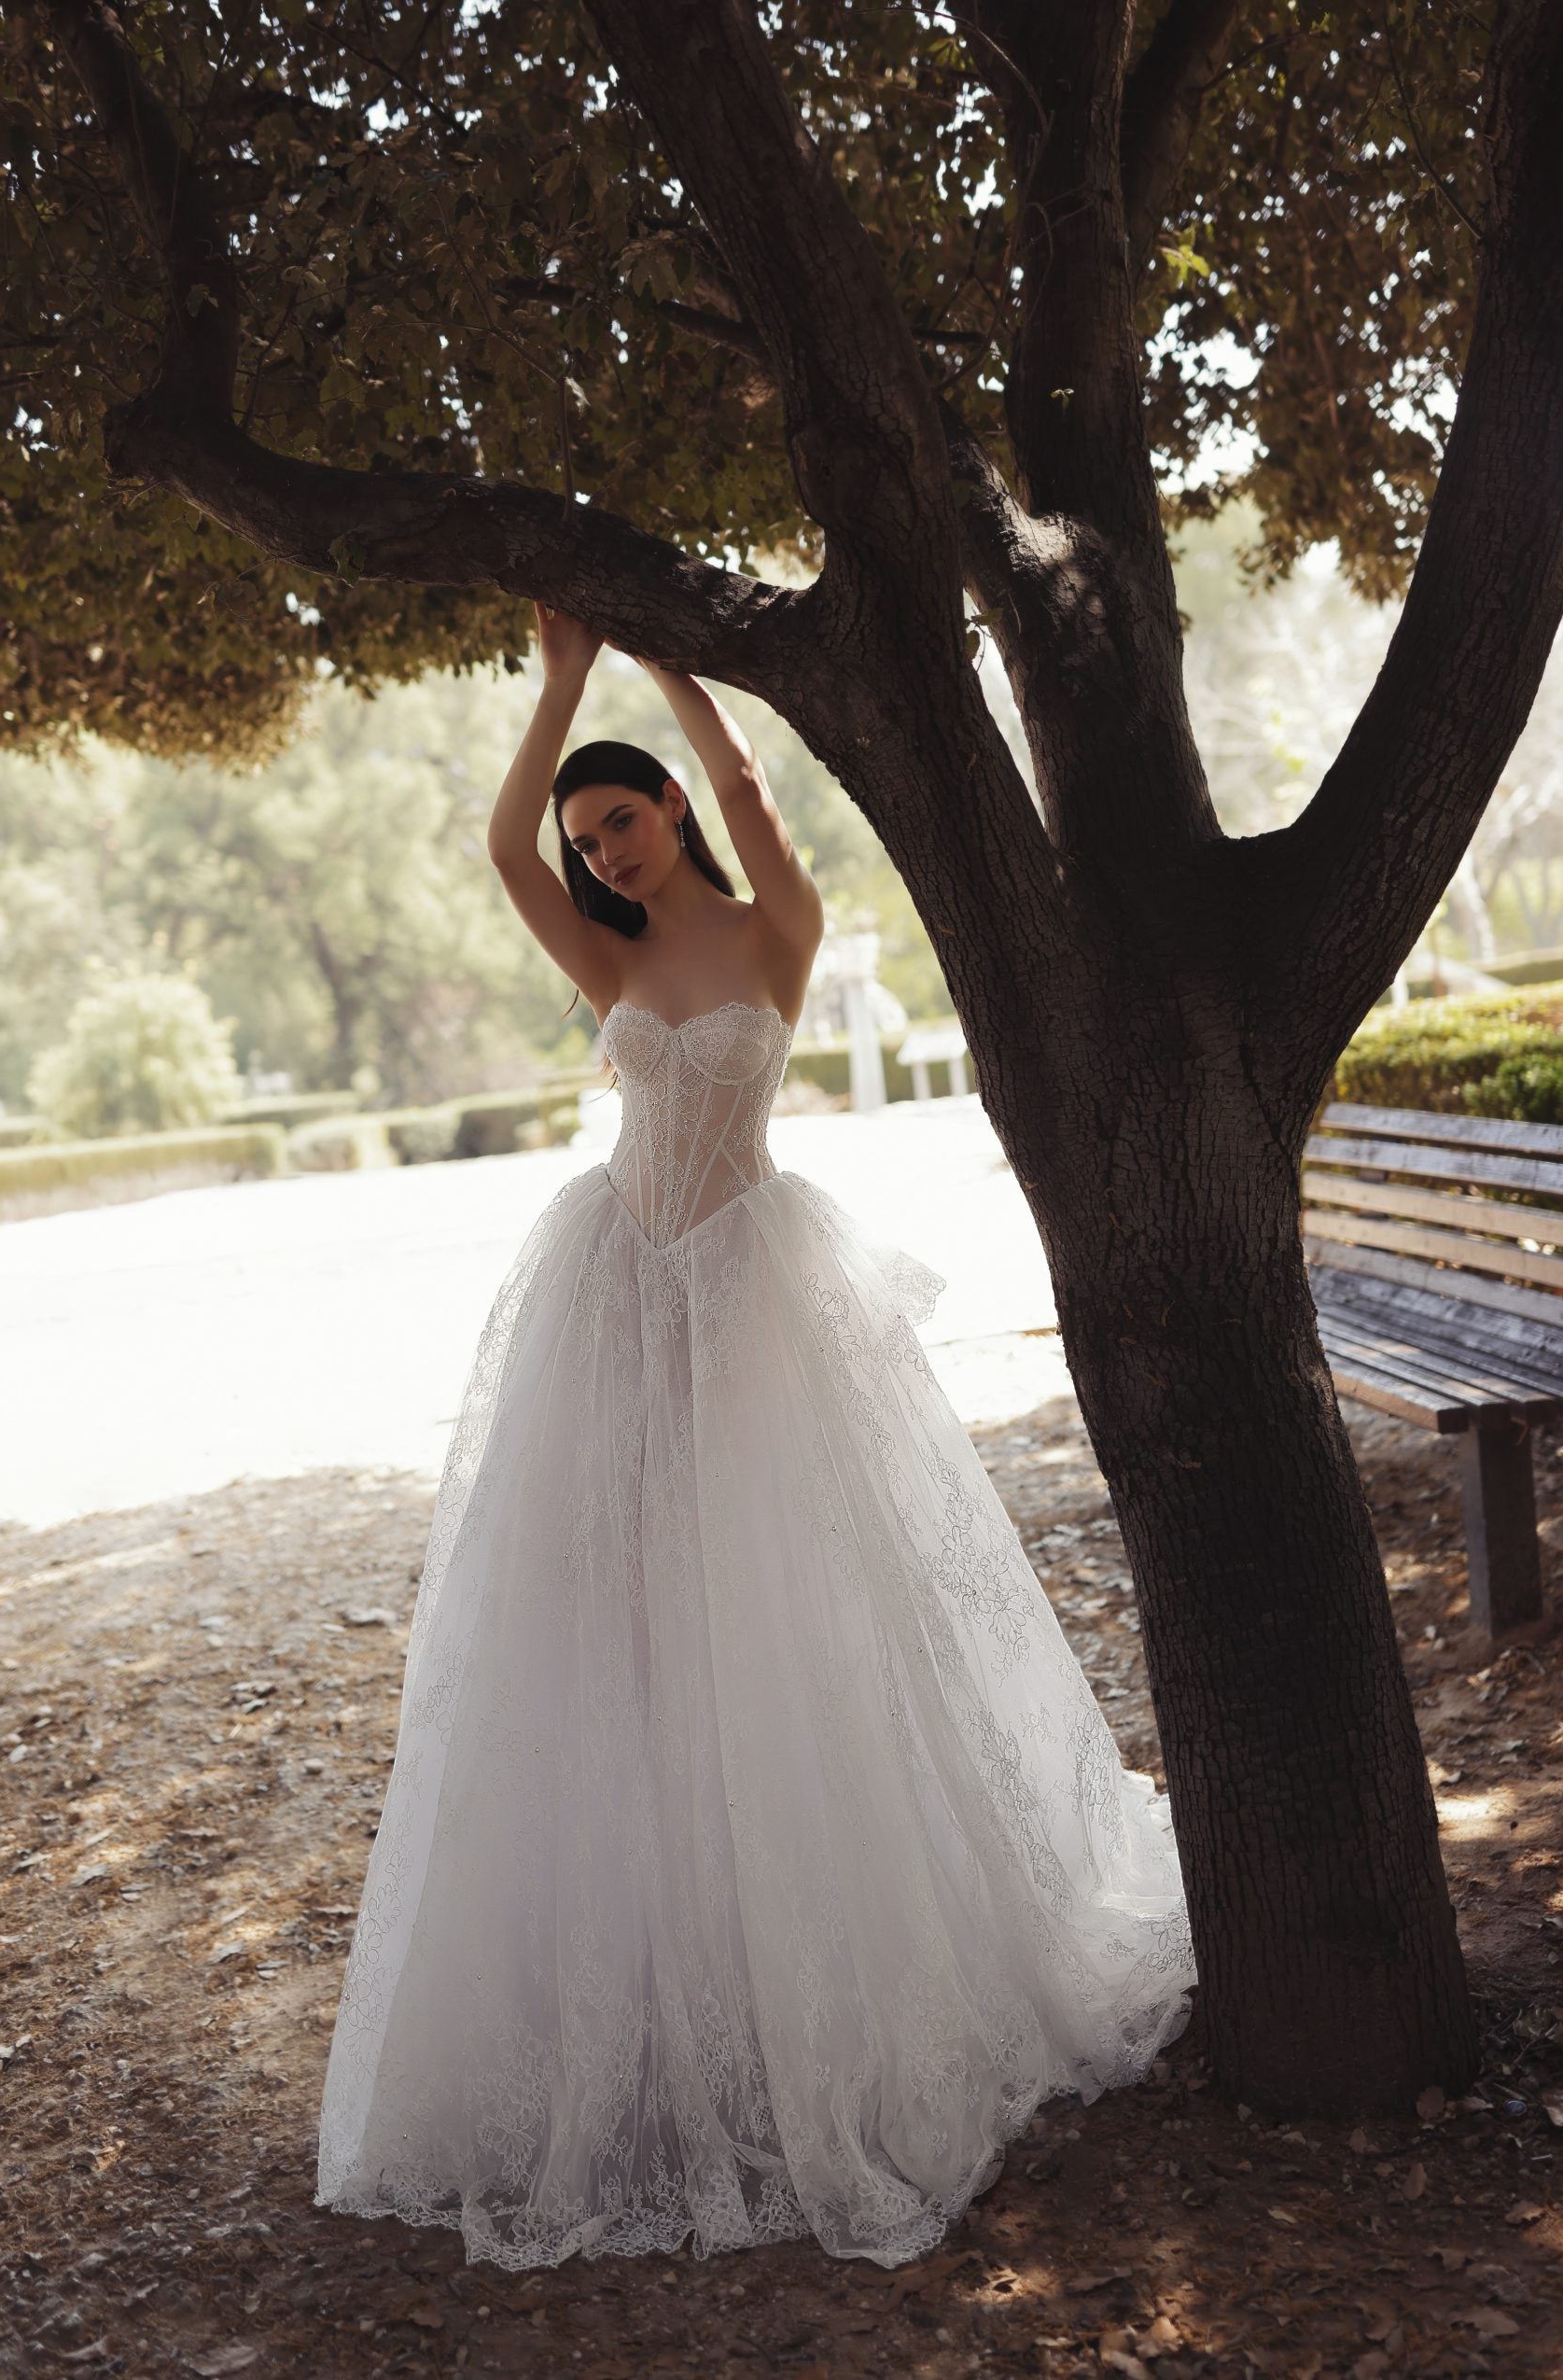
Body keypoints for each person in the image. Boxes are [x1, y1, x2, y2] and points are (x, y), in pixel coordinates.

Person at [314, 602, 1194, 2272]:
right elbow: (498, 844)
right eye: (591, 840)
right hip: (614, 1303)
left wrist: (657, 672)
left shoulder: (770, 926)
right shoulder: (614, 957)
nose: (603, 852)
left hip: (750, 1299)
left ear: (667, 808)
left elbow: (759, 798)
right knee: (614, 1635)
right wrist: (553, 687)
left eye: (623, 818)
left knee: (782, 1623)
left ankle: (819, 1979)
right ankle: (645, 1989)